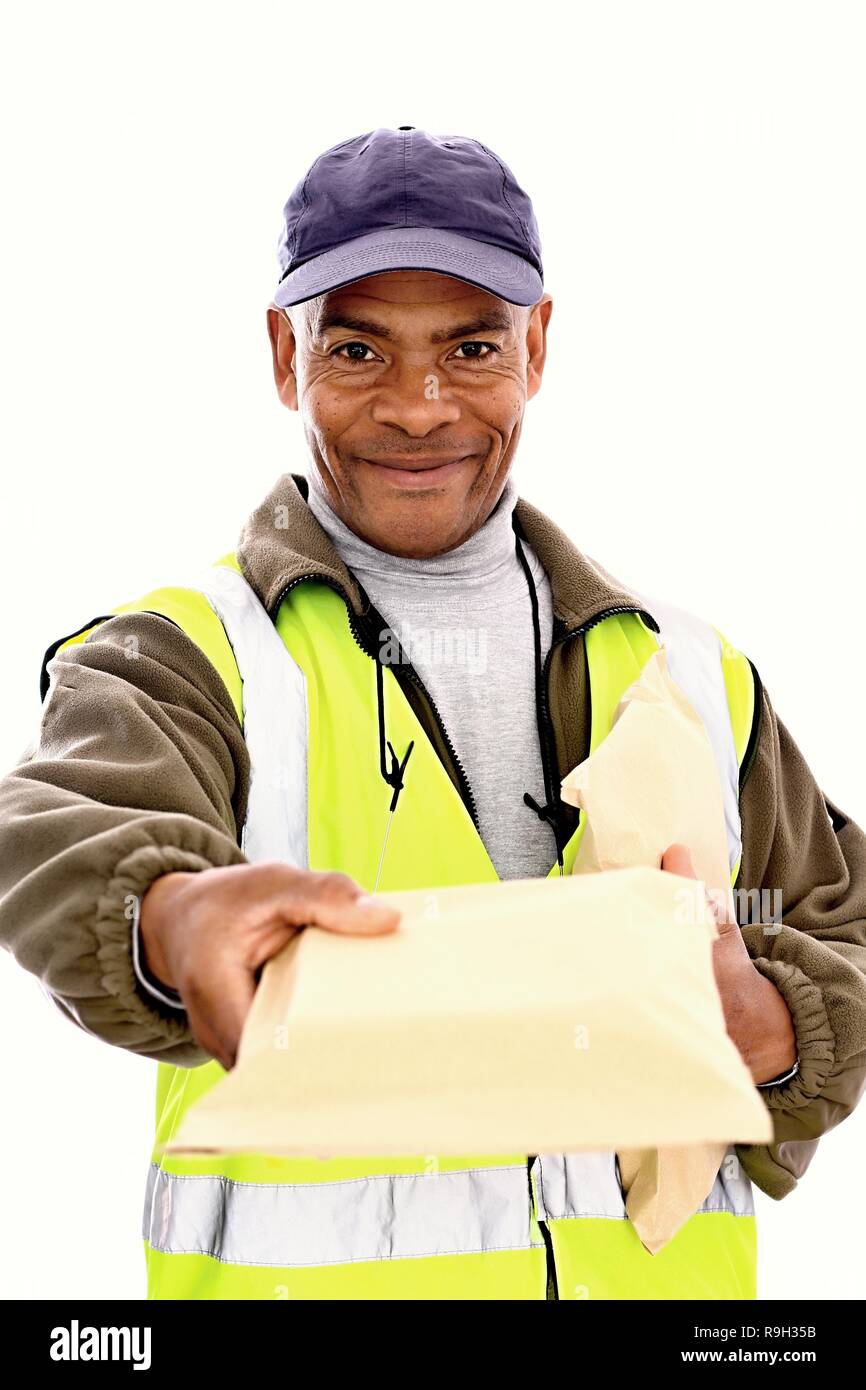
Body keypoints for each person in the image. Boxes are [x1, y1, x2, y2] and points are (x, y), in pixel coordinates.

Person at [1, 126, 865, 1301]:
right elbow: (55, 830)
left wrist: (781, 1022)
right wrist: (168, 917)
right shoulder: (183, 651)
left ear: (537, 345)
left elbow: (844, 922)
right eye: (357, 348)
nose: (418, 407)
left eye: (469, 347)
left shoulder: (689, 669)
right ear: (281, 354)